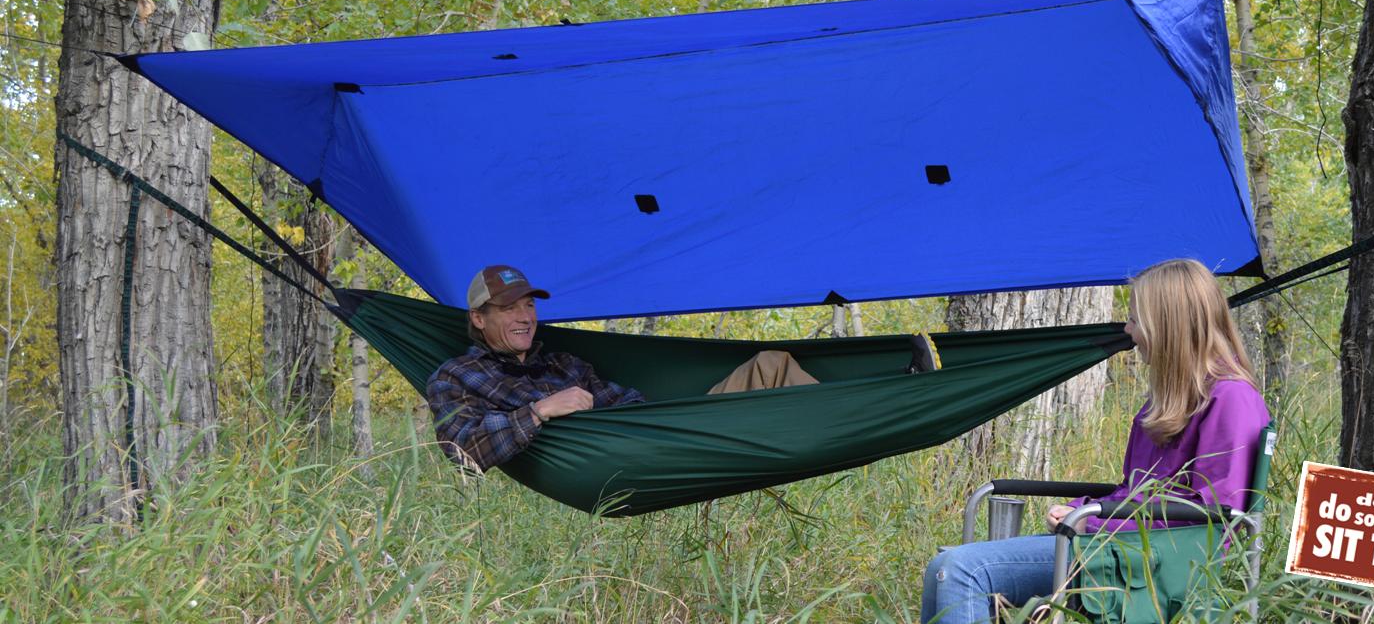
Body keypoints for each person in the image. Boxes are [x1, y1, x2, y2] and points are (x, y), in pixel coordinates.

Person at [919, 259, 1271, 624]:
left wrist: (1091, 522)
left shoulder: (1231, 399)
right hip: (1122, 547)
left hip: (1157, 562)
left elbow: (1217, 522)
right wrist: (1081, 508)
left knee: (962, 570)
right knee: (942, 567)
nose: (1128, 329)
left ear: (1168, 327)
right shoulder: (1170, 401)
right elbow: (1133, 494)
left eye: (1135, 318)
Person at [427, 264, 942, 472]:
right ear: (478, 318)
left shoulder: (563, 361)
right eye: (510, 309)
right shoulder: (456, 377)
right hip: (619, 469)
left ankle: (895, 397)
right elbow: (460, 452)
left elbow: (624, 402)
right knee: (768, 380)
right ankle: (891, 401)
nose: (525, 317)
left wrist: (666, 416)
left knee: (771, 363)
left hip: (666, 437)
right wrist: (540, 410)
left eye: (529, 306)